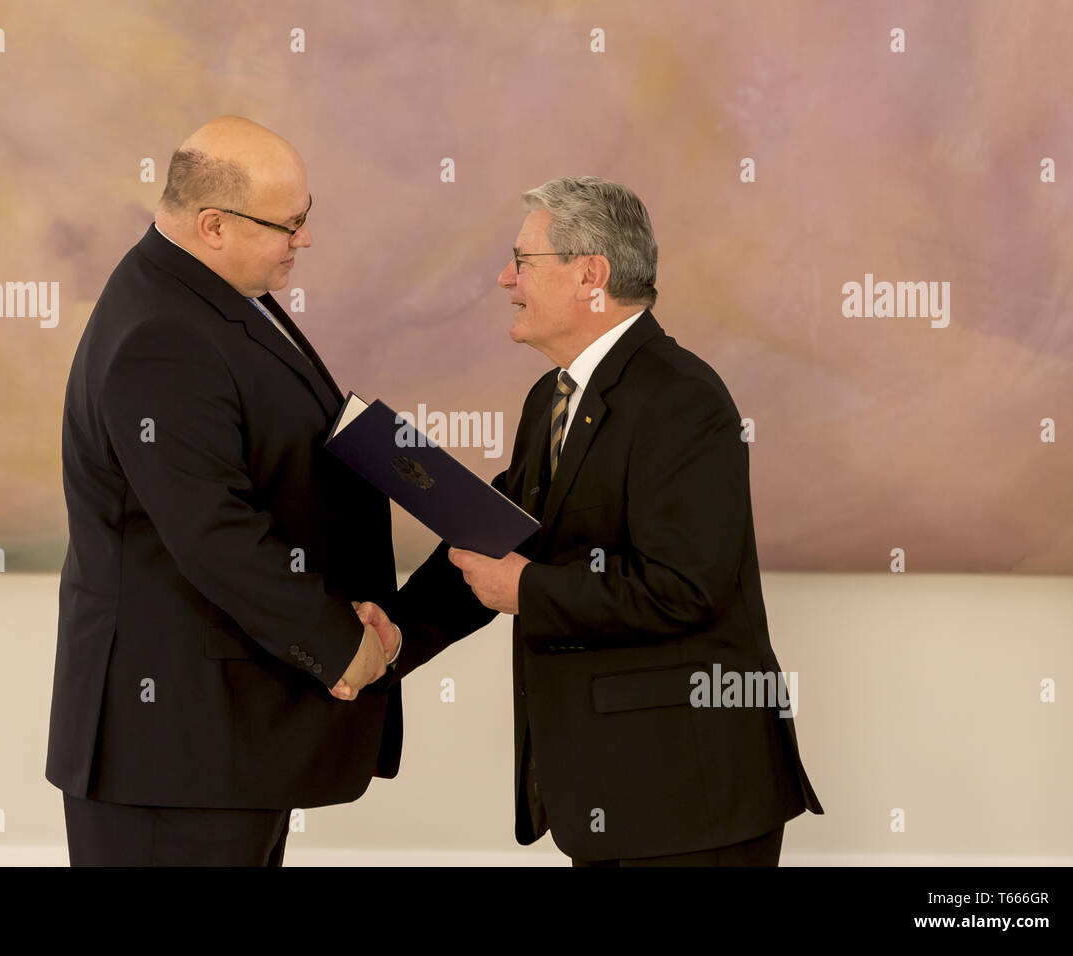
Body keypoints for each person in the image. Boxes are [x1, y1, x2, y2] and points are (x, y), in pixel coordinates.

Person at [350, 176, 823, 865]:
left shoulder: (683, 399)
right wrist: (392, 638)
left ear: (590, 275)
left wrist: (529, 592)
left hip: (688, 802)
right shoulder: (552, 397)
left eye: (524, 261)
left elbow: (687, 587)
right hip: (607, 795)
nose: (505, 277)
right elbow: (496, 537)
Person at [45, 116, 400, 866]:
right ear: (212, 225)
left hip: (222, 747)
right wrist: (339, 646)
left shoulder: (205, 293)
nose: (304, 240)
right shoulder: (161, 334)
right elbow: (215, 530)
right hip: (173, 753)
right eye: (291, 224)